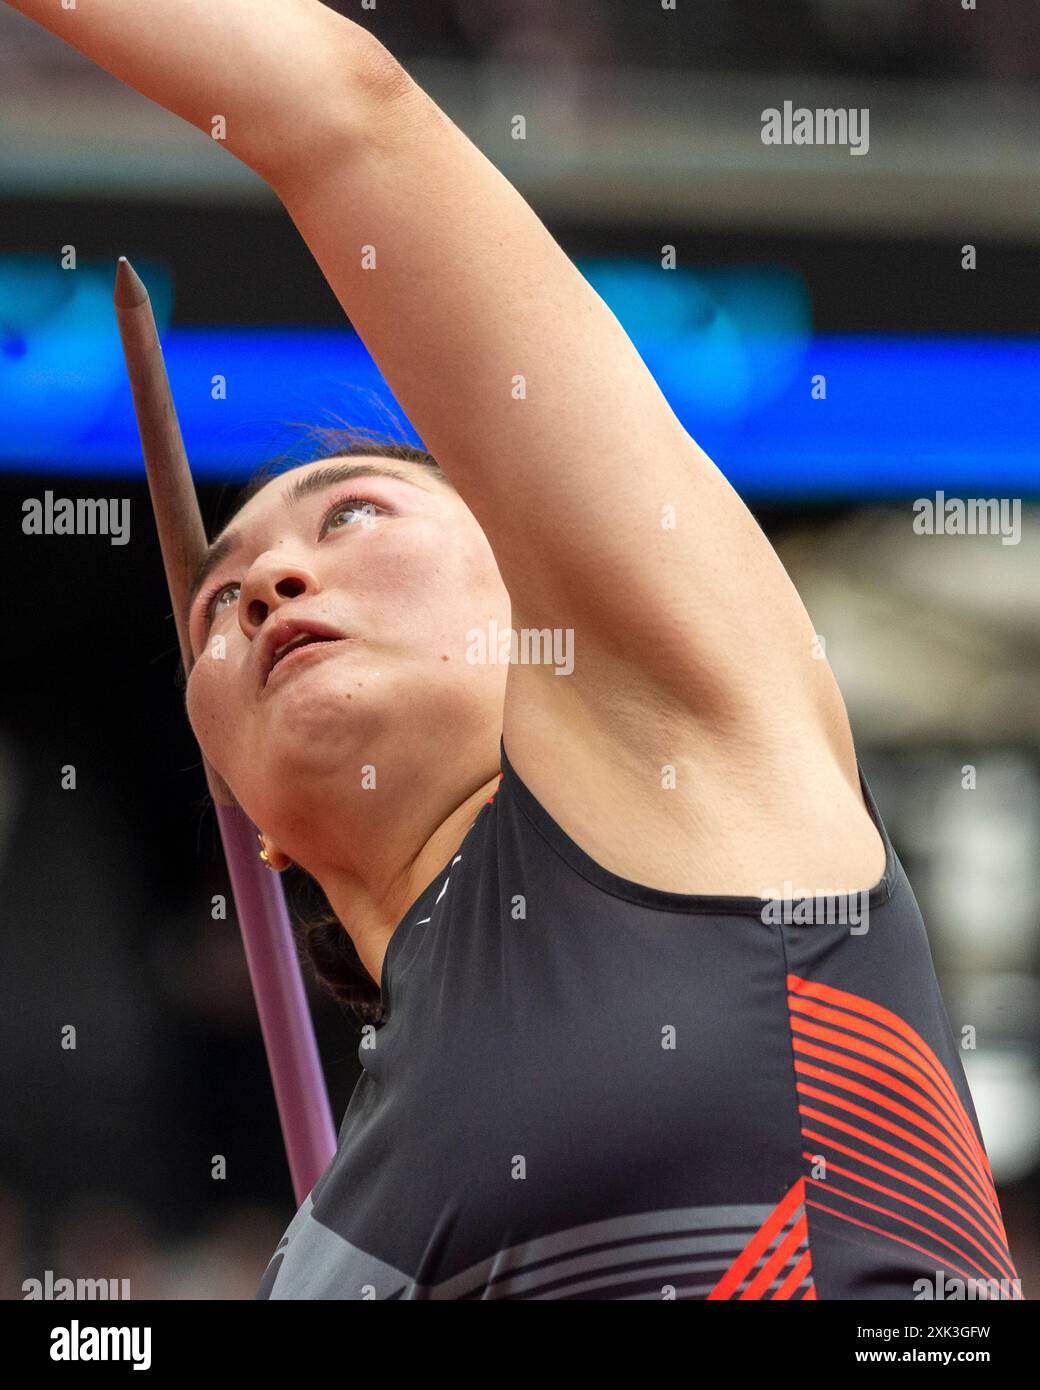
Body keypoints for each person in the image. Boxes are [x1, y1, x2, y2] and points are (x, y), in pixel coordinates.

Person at [9, 0, 1020, 1300]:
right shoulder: (322, 1253)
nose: (263, 584)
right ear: (251, 822)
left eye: (355, 514)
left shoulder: (685, 740)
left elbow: (343, 114)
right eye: (217, 610)